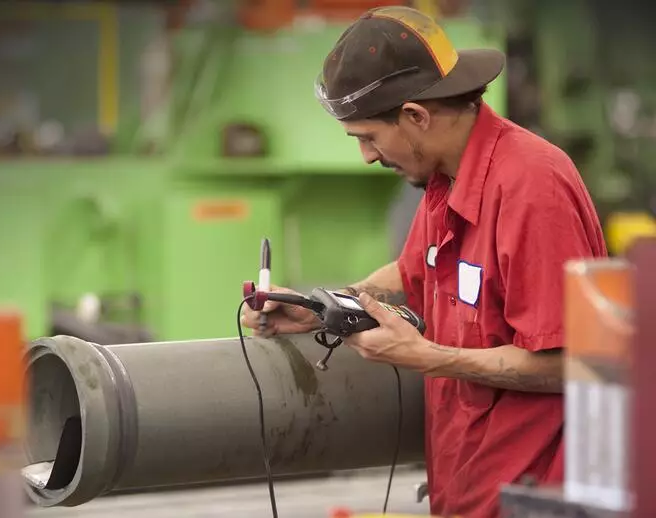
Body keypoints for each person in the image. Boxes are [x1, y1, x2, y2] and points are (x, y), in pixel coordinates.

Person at [241, 6, 607, 518]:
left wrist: (429, 356)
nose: (367, 155)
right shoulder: (445, 178)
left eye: (368, 137)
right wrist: (325, 306)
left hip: (537, 498)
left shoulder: (530, 187)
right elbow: (414, 273)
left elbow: (576, 364)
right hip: (468, 490)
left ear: (416, 116)